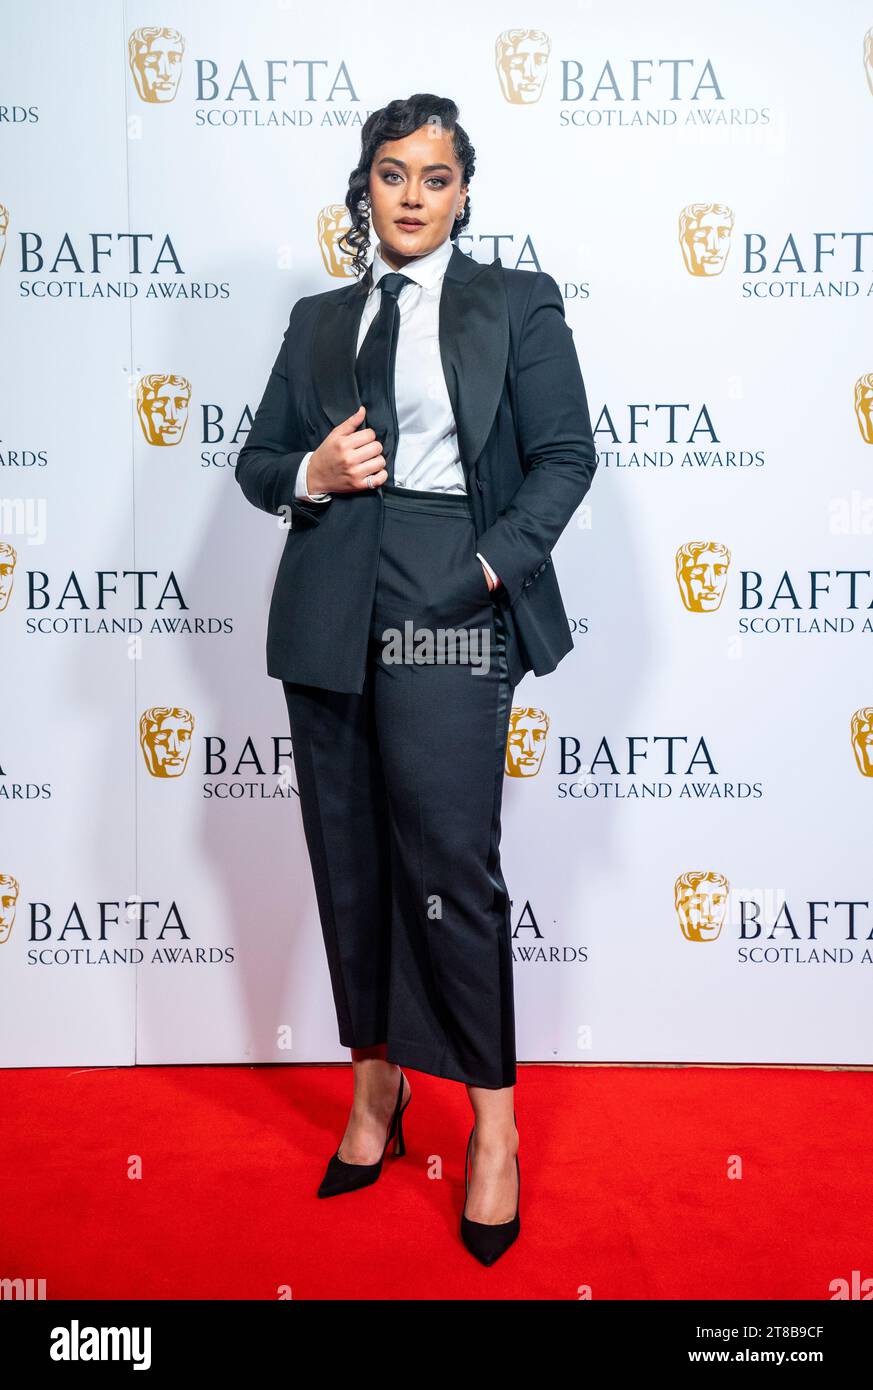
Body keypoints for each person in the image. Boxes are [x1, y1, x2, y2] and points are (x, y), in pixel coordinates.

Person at [235, 92, 597, 1266]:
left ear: (462, 191)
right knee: (349, 855)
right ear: (366, 186)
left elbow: (564, 455)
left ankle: (494, 1130)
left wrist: (487, 569)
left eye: (433, 177)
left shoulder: (516, 302)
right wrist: (314, 469)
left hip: (451, 583)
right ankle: (376, 1088)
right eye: (392, 174)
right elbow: (255, 464)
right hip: (332, 589)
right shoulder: (316, 318)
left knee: (450, 854)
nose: (410, 196)